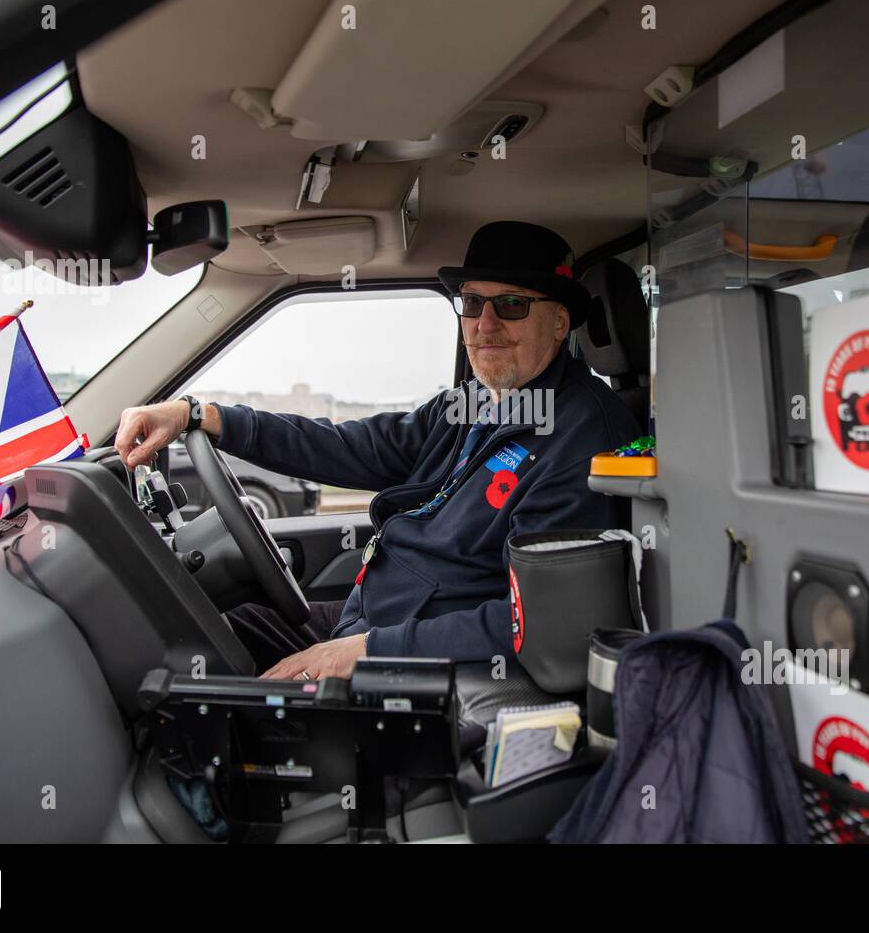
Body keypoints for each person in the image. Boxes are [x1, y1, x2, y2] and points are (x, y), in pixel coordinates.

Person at [115, 221, 640, 680]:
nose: (484, 325)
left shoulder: (582, 437)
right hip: (372, 622)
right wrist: (203, 415)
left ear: (560, 322)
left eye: (510, 305)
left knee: (206, 700)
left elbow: (537, 620)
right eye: (473, 303)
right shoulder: (477, 403)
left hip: (415, 662)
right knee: (192, 638)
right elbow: (348, 446)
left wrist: (369, 652)